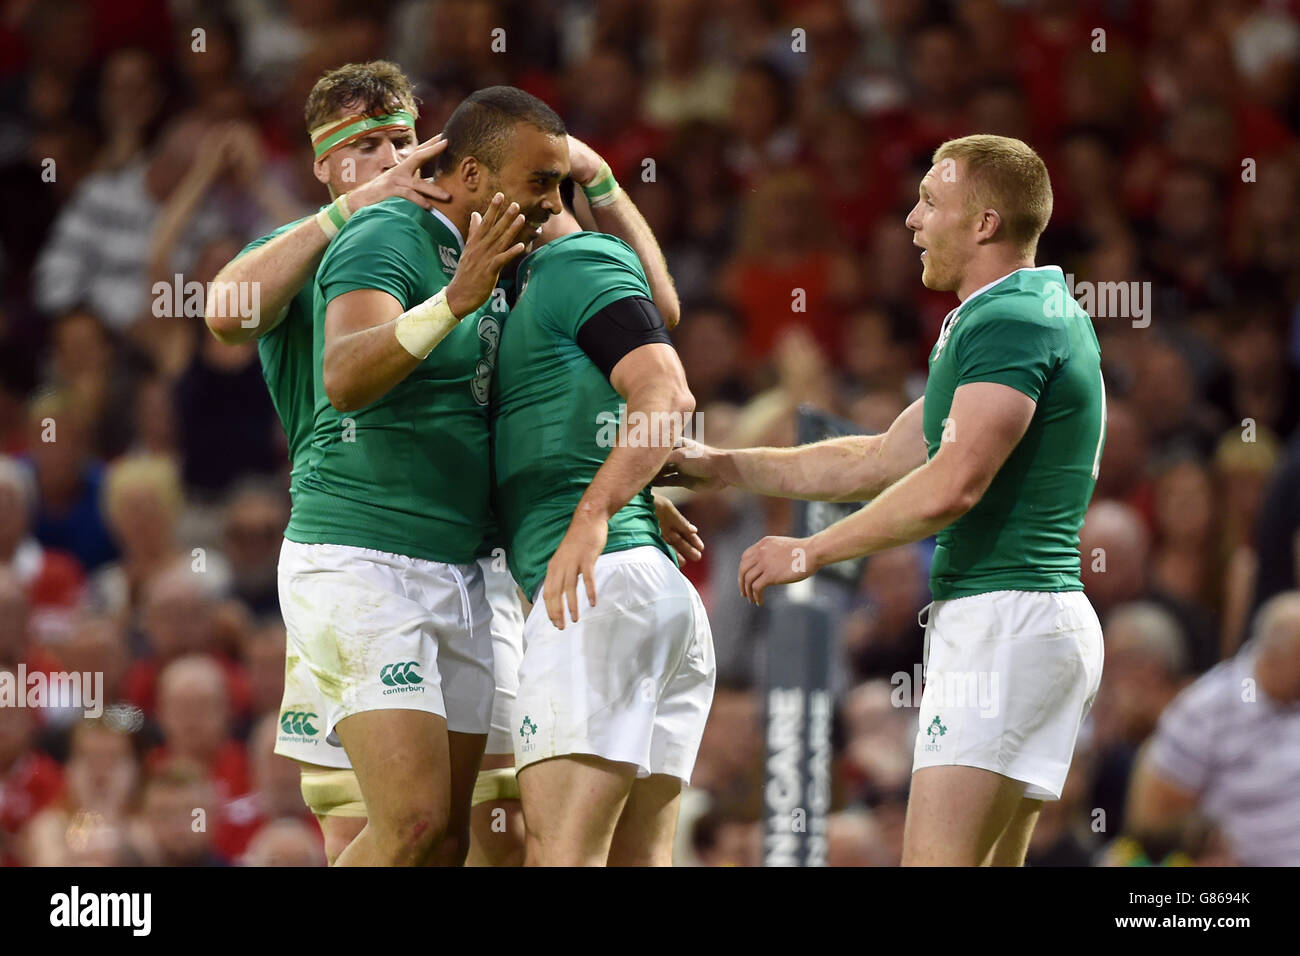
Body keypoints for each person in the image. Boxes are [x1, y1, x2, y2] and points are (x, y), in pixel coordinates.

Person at [664, 134, 1105, 866]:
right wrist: (726, 467)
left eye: (931, 201)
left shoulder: (1011, 322)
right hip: (1028, 623)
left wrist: (812, 548)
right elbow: (877, 459)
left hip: (1006, 621)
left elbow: (954, 484)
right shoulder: (1017, 312)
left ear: (985, 223)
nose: (910, 219)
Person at [493, 166, 716, 867]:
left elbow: (668, 396)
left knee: (560, 856)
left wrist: (598, 510)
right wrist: (637, 490)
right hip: (645, 592)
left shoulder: (573, 262)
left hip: (595, 591)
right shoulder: (532, 284)